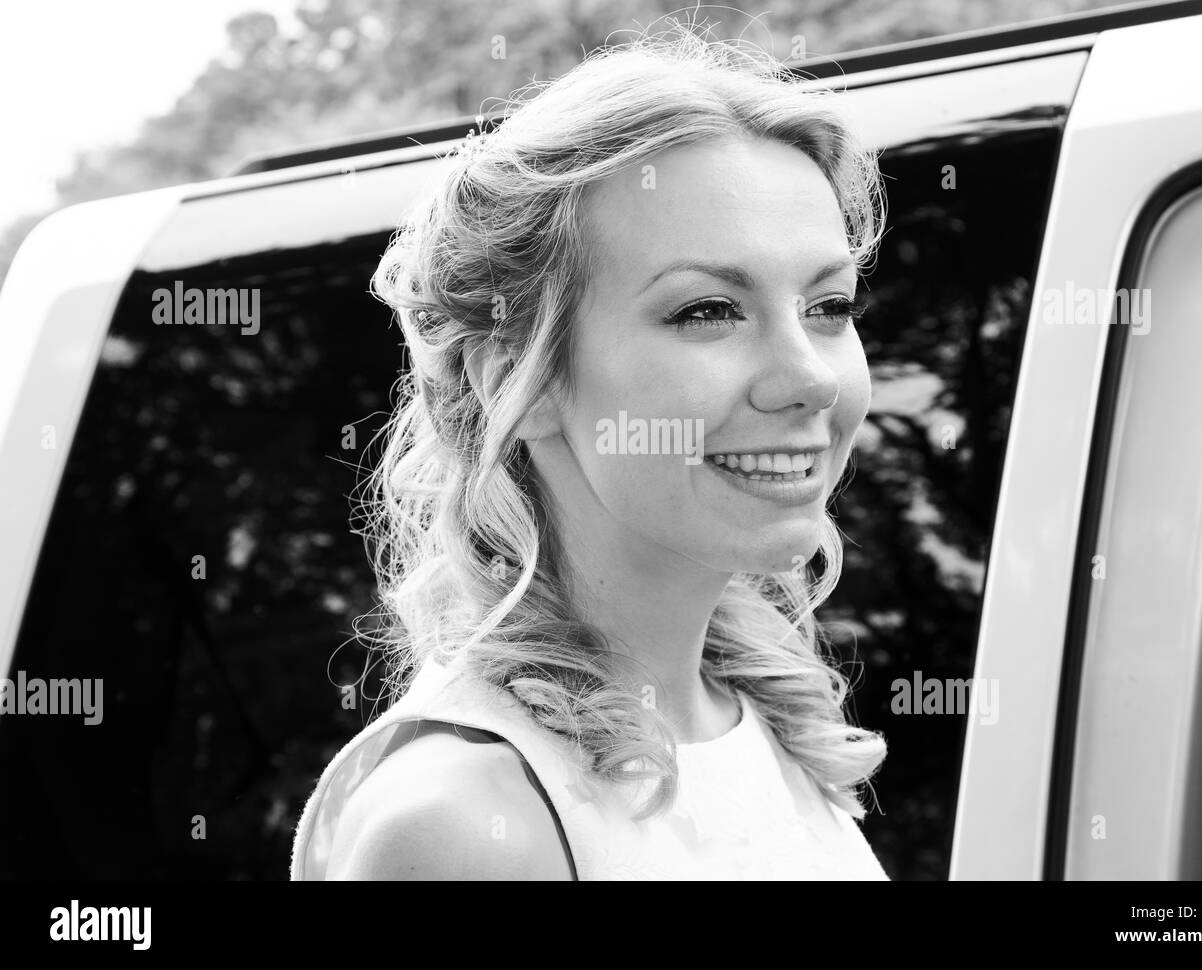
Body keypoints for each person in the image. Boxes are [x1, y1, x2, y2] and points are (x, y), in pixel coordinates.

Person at [291, 21, 890, 880]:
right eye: (707, 311)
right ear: (518, 381)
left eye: (828, 306)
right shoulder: (466, 825)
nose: (810, 379)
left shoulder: (775, 730)